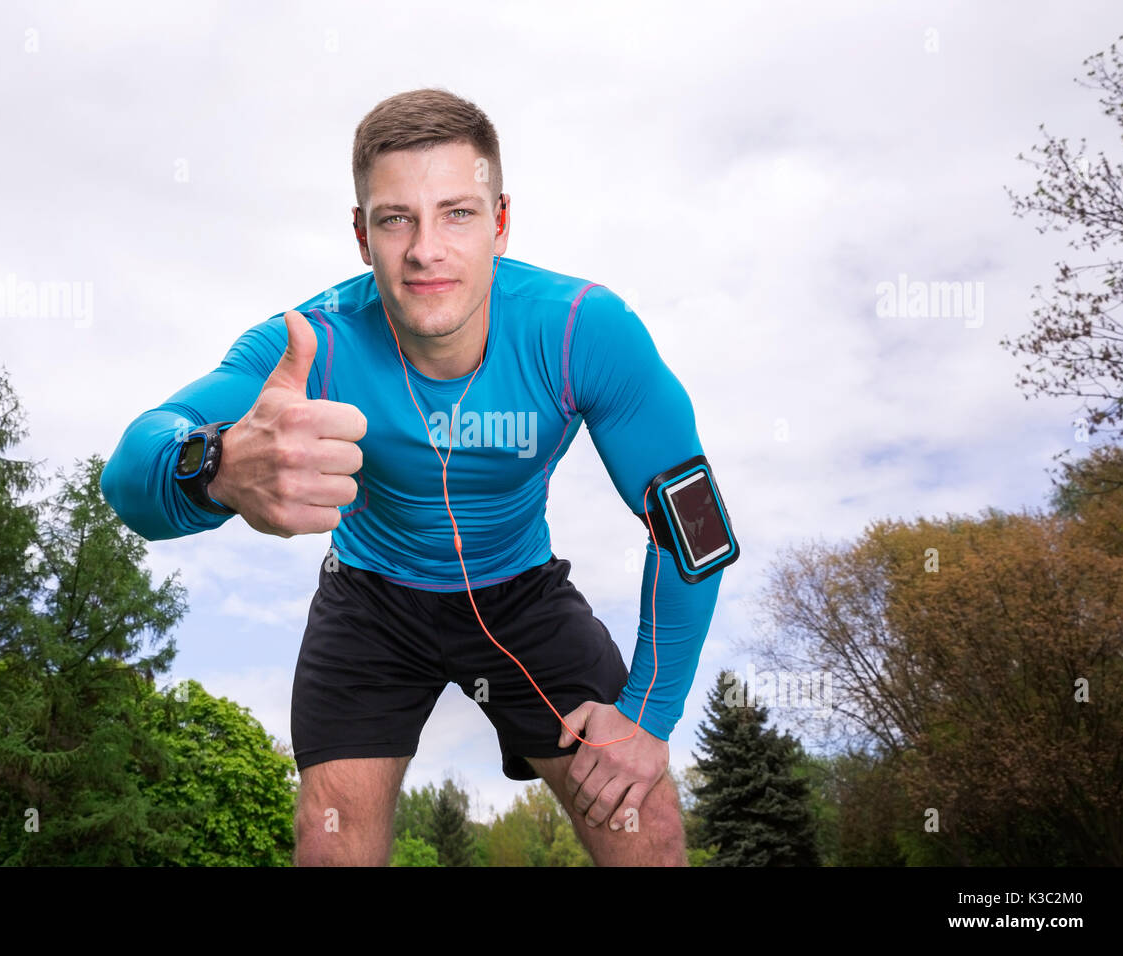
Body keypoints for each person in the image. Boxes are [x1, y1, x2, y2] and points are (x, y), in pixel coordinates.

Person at [99, 88, 726, 866]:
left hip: (521, 592)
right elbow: (129, 471)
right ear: (363, 237)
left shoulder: (583, 330)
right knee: (330, 839)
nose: (426, 249)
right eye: (396, 219)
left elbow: (694, 529)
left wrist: (650, 717)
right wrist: (218, 466)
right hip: (370, 599)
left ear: (500, 224)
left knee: (648, 824)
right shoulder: (310, 340)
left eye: (458, 213)